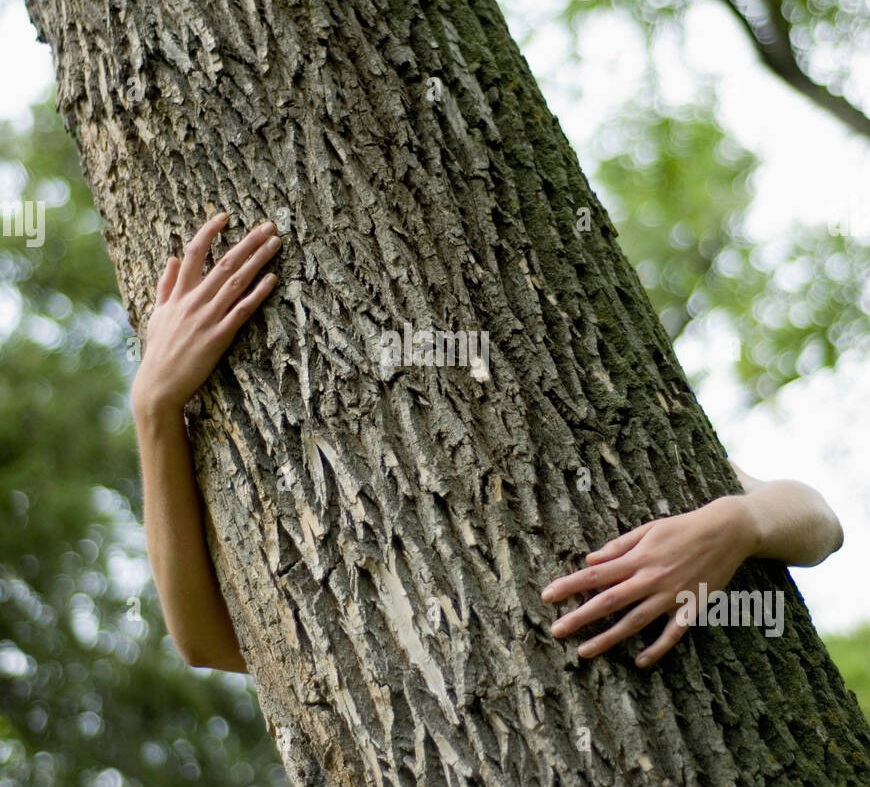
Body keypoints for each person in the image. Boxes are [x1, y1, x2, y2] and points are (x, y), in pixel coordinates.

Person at [132, 214, 844, 675]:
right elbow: (211, 639)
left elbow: (817, 521)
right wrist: (156, 409)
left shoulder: (595, 416)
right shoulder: (351, 531)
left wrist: (734, 523)